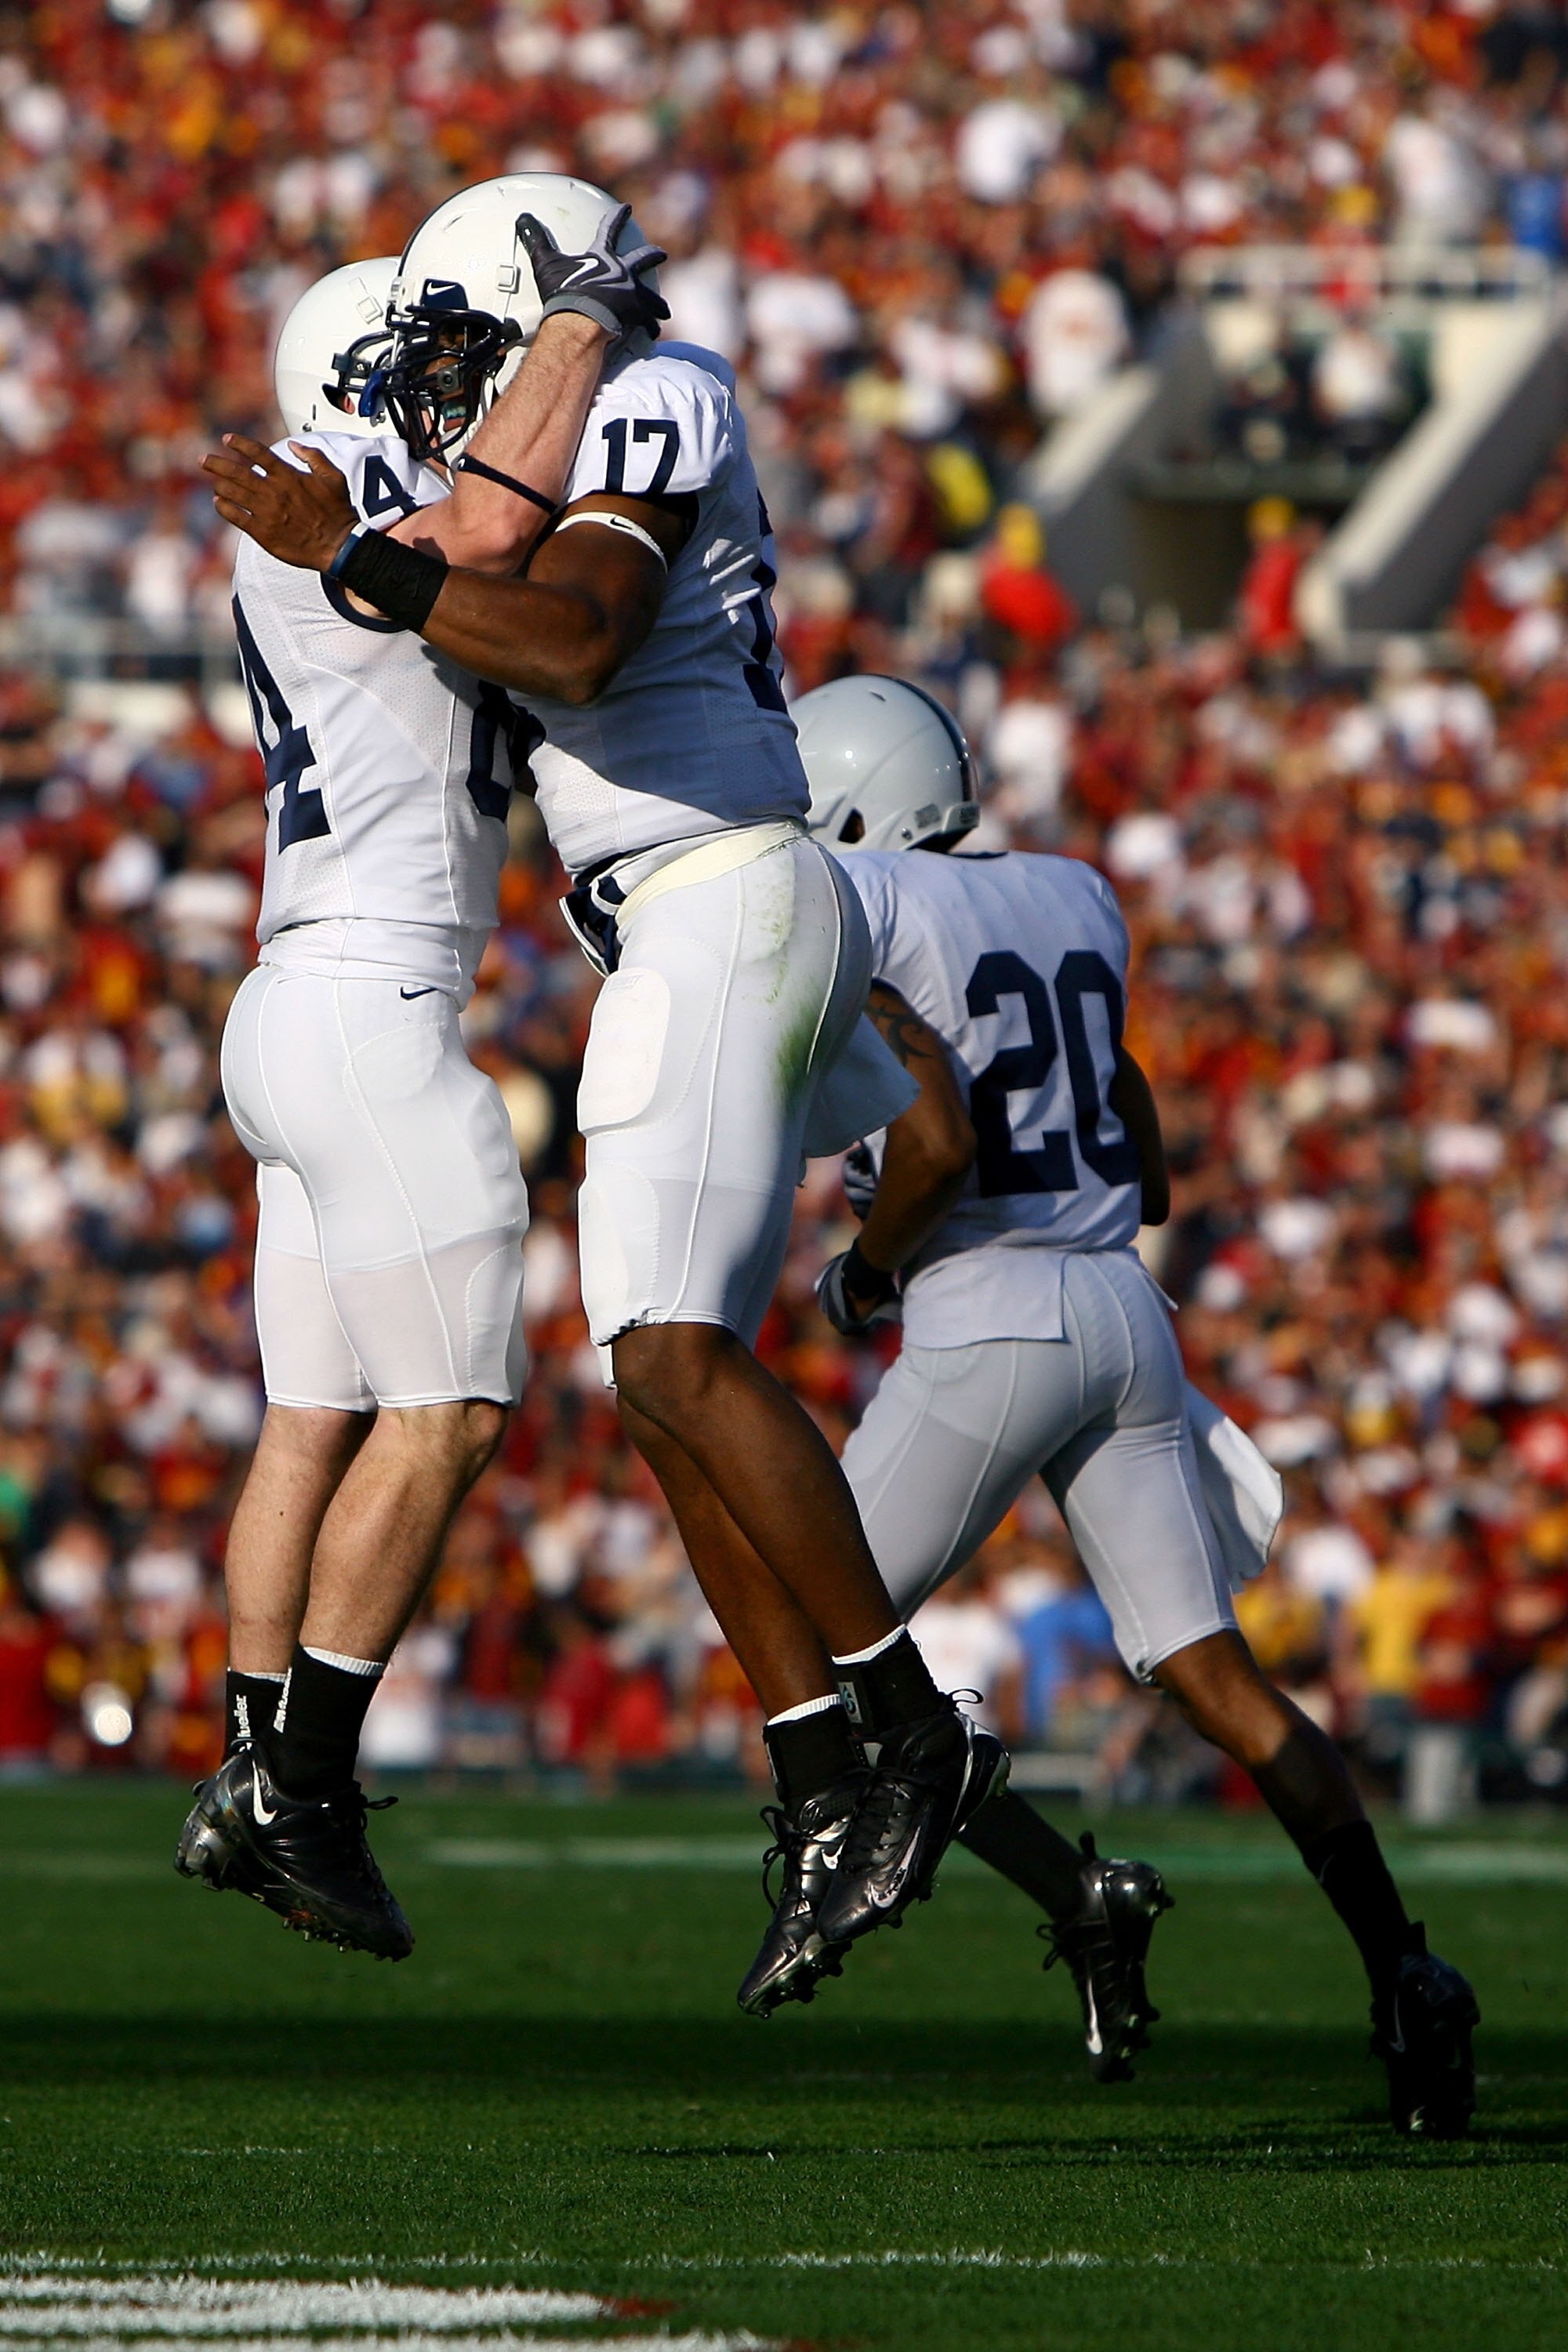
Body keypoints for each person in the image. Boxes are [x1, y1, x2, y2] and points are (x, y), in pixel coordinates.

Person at [202, 174, 1007, 1994]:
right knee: (654, 1385)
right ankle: (820, 1770)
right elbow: (478, 556)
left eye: (470, 353)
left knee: (653, 1359)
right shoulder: (529, 432)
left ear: (553, 318)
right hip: (670, 920)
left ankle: (901, 1733)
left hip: (718, 885)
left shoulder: (658, 385)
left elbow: (565, 633)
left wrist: (402, 512)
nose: (447, 400)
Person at [792, 673, 1480, 2140]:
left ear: (850, 802)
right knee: (1214, 1673)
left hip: (989, 1300)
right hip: (1124, 1304)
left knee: (806, 1635)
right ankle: (1406, 1973)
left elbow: (934, 1149)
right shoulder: (1076, 889)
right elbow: (1145, 1152)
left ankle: (1075, 1893)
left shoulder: (863, 893)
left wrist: (862, 1276)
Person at [175, 198, 670, 1958]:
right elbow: (490, 543)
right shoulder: (326, 510)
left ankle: (245, 1762)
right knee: (452, 1412)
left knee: (315, 1419)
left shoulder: (318, 532)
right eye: (417, 368)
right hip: (371, 1007)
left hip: (296, 1001)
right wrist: (579, 335)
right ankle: (303, 1790)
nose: (439, 391)